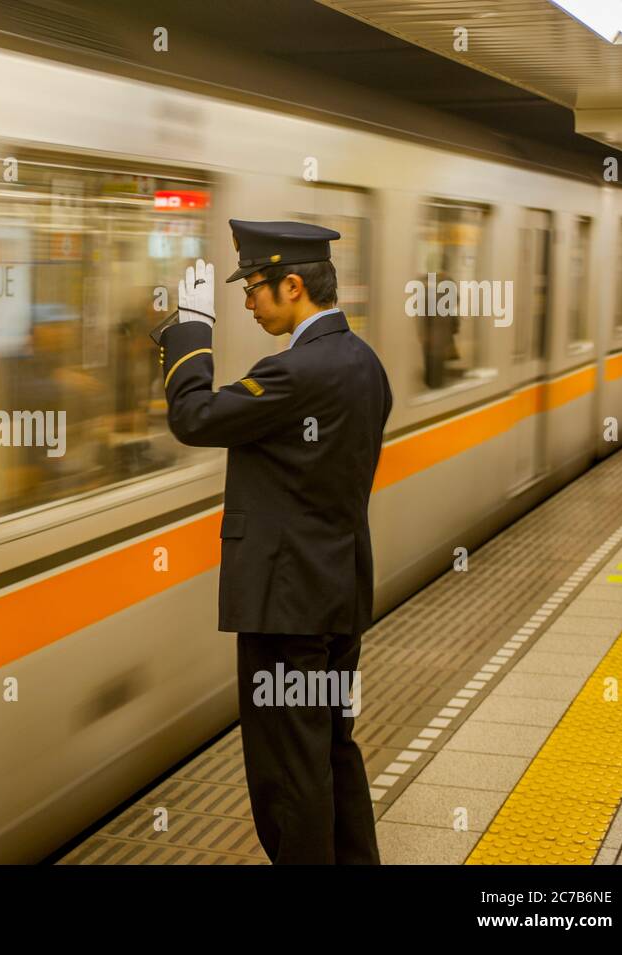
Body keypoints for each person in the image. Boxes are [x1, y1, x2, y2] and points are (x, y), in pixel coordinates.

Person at [152, 219, 392, 864]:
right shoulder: (364, 363)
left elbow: (194, 417)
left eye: (254, 287)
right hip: (337, 595)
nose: (248, 302)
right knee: (332, 750)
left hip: (287, 609)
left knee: (288, 771)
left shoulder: (296, 372)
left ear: (293, 285)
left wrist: (191, 333)